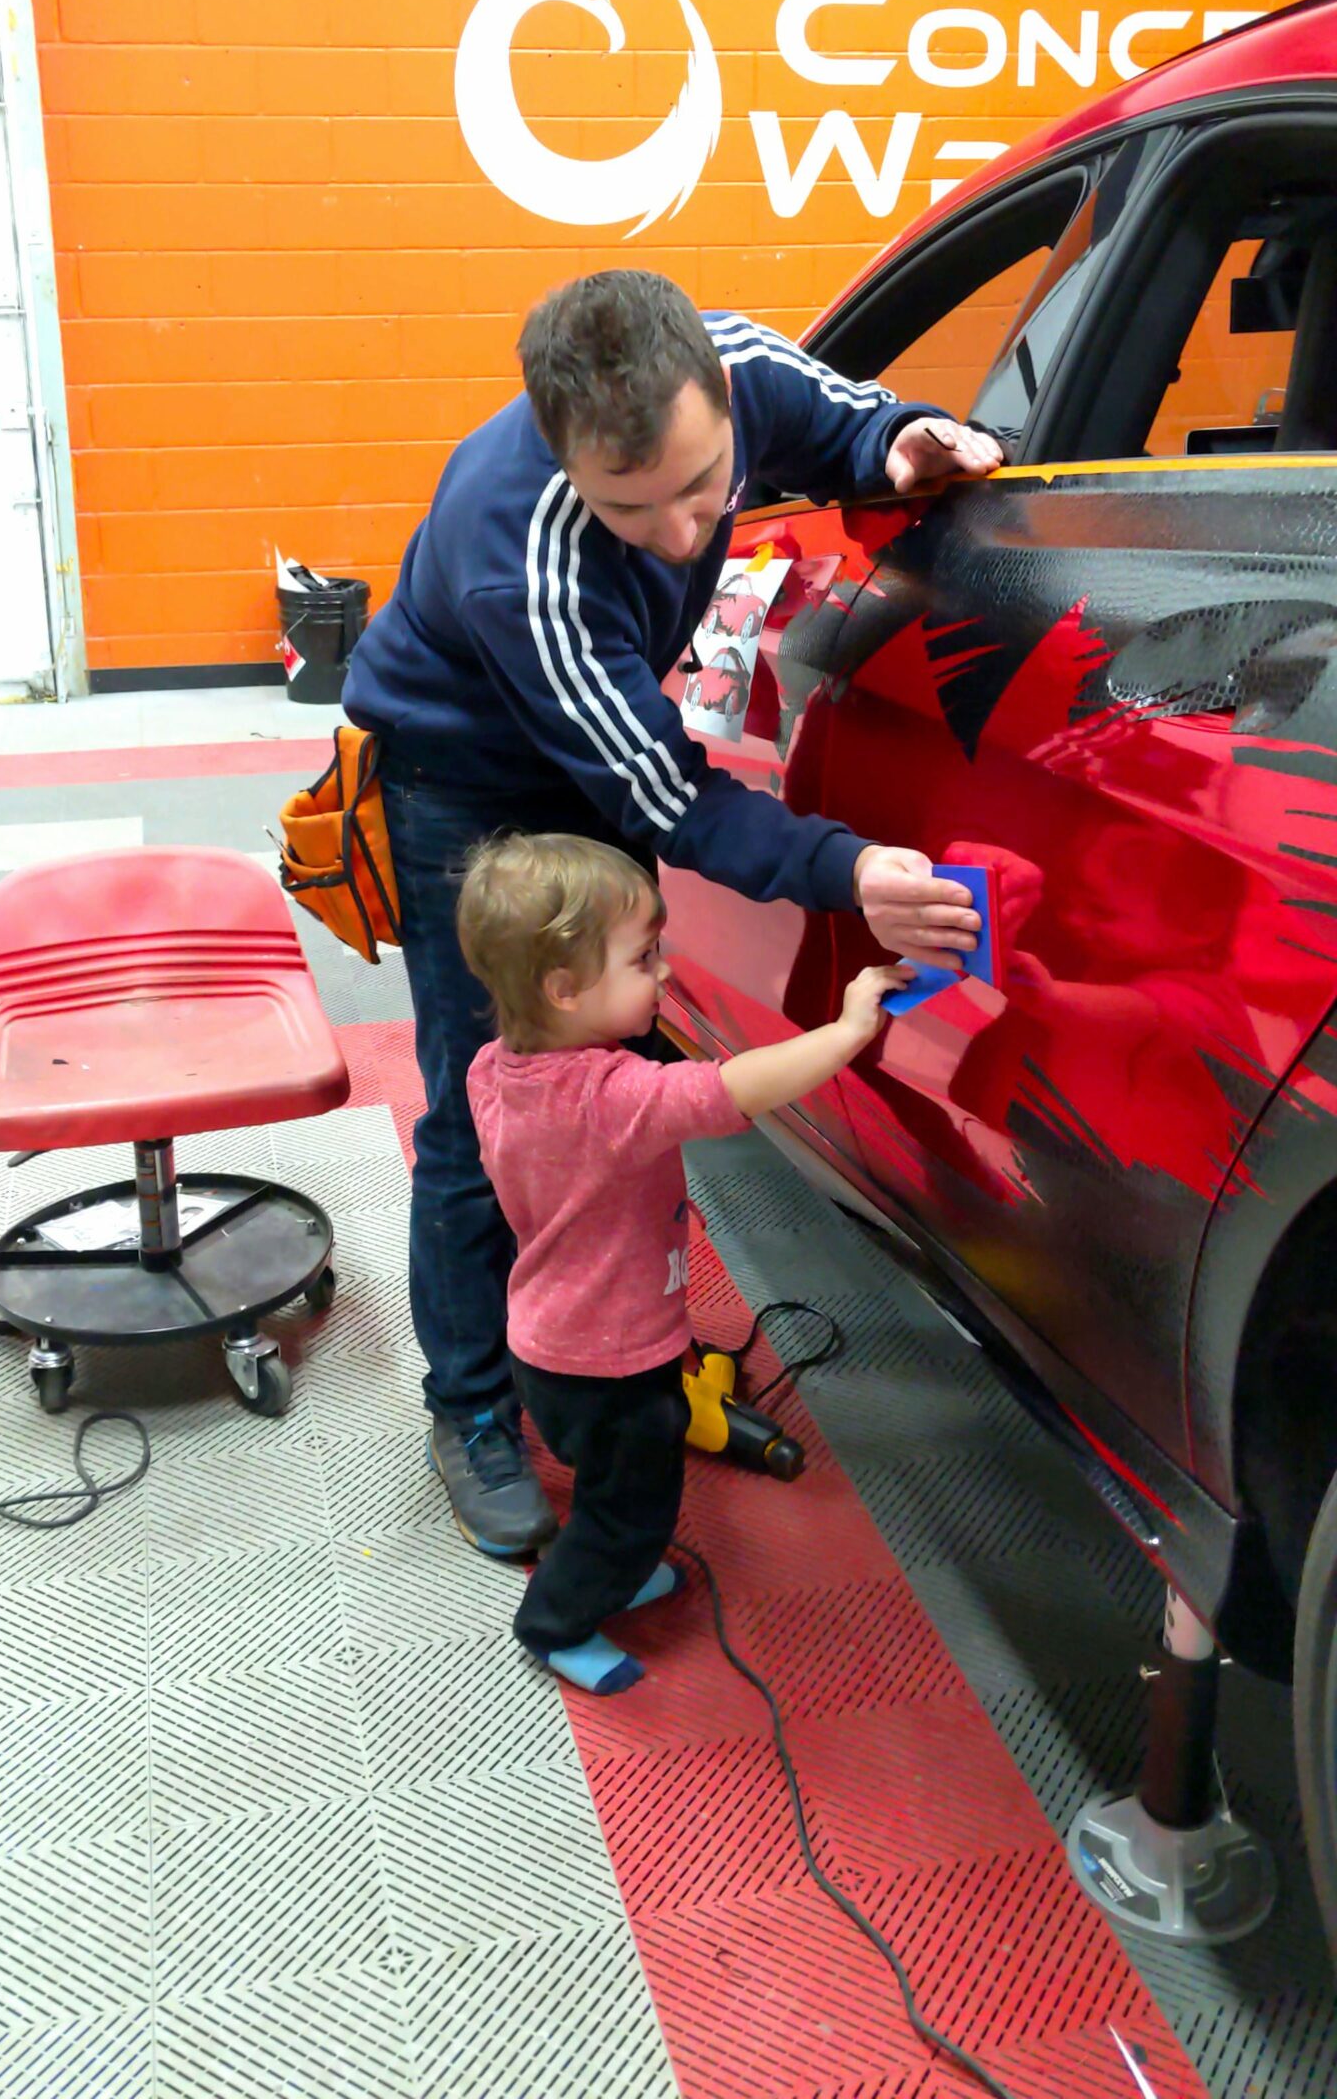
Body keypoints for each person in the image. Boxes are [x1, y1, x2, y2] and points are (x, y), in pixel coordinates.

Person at [343, 268, 1002, 1559]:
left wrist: (900, 441)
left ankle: (615, 1359)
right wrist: (845, 871)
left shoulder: (745, 367)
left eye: (703, 488)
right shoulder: (521, 560)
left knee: (630, 1079)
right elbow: (669, 797)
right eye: (628, 509)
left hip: (602, 736)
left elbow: (853, 424)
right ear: (562, 457)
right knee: (498, 1101)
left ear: (720, 401)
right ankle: (470, 1406)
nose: (682, 535)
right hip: (469, 779)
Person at [457, 831, 910, 1695]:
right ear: (564, 989)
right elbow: (738, 1087)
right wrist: (850, 1028)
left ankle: (615, 1571)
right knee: (629, 1509)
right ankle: (555, 1621)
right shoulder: (612, 1099)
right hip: (608, 1361)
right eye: (642, 959)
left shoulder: (493, 1068)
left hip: (553, 1341)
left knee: (617, 1489)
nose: (663, 971)